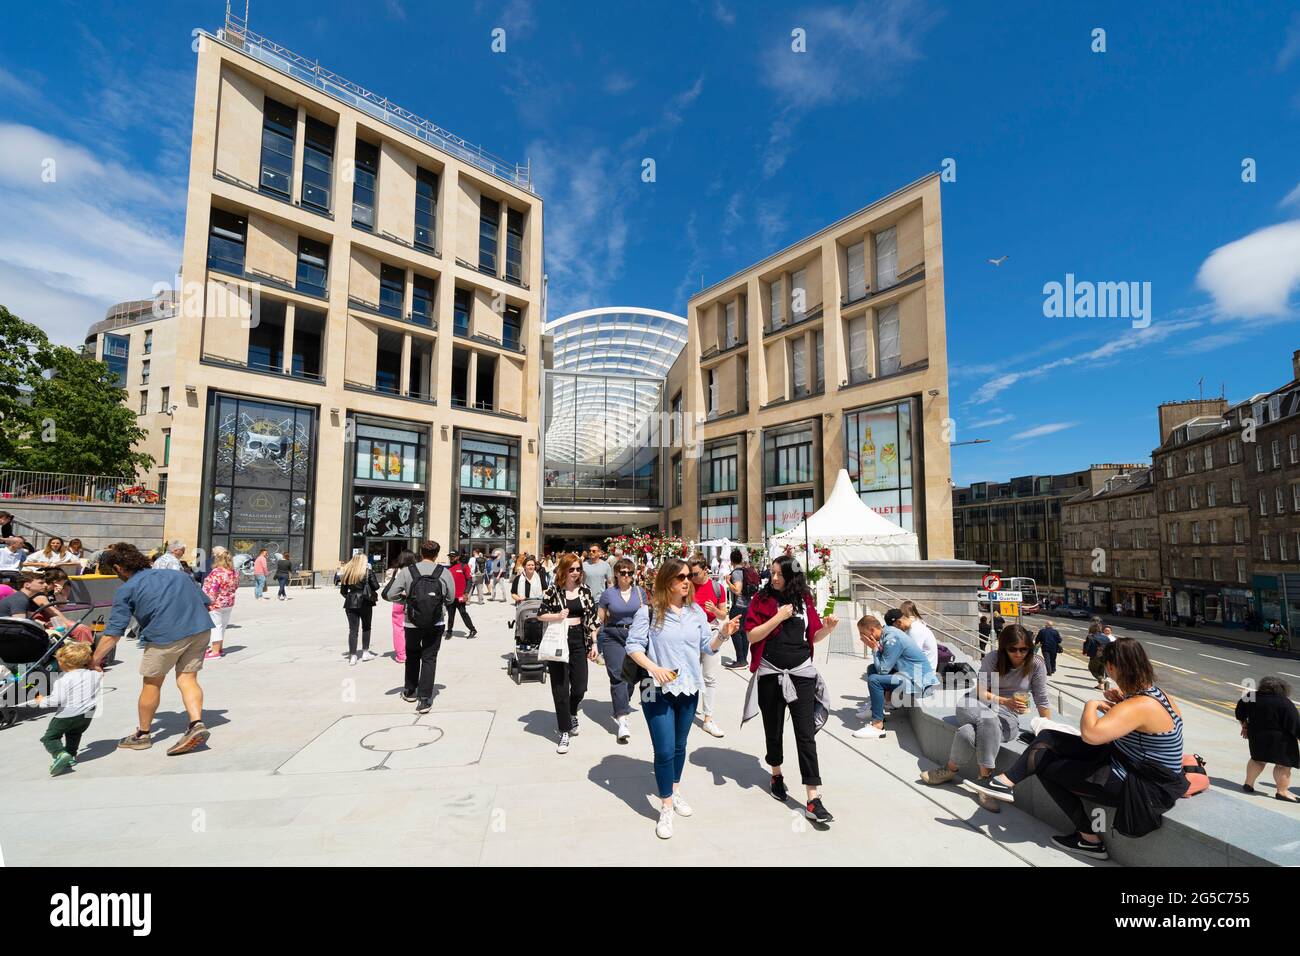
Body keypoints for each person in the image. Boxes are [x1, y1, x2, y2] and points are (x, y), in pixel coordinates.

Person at [977, 638, 1186, 860]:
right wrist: (1122, 703)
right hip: (1131, 763)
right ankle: (1005, 782)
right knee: (1048, 738)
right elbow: (1141, 728)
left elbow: (1091, 735)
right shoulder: (1157, 695)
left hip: (1140, 785)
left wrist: (1091, 705)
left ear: (1112, 667)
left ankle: (1089, 839)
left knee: (1045, 766)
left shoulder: (1137, 706)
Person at [626, 558, 738, 839]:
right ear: (667, 581)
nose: (687, 581)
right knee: (663, 750)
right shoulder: (649, 612)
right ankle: (665, 807)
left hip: (688, 688)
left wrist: (722, 635)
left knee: (679, 746)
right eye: (680, 577)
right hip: (655, 689)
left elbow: (707, 648)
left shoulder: (696, 612)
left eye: (688, 576)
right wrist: (654, 668)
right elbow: (633, 647)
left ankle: (674, 791)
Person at [91, 542, 214, 756]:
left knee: (152, 682)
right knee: (188, 679)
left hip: (164, 637)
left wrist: (94, 660)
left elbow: (113, 633)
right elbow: (205, 602)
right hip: (200, 629)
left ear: (119, 567)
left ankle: (143, 735)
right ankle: (196, 724)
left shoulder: (127, 589)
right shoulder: (179, 576)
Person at [741, 553, 839, 823]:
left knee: (806, 734)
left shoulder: (804, 600)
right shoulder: (762, 600)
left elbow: (814, 636)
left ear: (791, 577)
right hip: (771, 674)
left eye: (779, 574)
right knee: (774, 729)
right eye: (771, 573)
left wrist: (827, 629)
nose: (773, 578)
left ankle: (813, 798)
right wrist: (778, 617)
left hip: (801, 674)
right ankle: (776, 774)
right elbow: (751, 635)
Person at [921, 623, 1052, 792]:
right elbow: (981, 691)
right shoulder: (993, 658)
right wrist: (1005, 701)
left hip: (1006, 714)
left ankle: (950, 770)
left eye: (1024, 649)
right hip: (975, 703)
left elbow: (1041, 699)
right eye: (1013, 649)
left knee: (967, 732)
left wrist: (1048, 731)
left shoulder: (1036, 665)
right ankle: (986, 781)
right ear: (1004, 648)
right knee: (987, 717)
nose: (1019, 654)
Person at [538, 553, 599, 754]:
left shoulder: (585, 591)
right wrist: (557, 615)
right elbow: (540, 614)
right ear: (563, 570)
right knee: (560, 688)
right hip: (558, 639)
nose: (575, 572)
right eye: (571, 569)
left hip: (578, 640)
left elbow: (592, 619)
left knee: (580, 686)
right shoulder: (553, 591)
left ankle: (572, 711)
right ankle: (564, 730)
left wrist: (594, 643)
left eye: (578, 569)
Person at [385, 540, 451, 713]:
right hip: (436, 622)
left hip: (411, 622)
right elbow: (451, 598)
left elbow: (391, 594)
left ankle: (410, 690)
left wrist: (406, 601)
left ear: (420, 553)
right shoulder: (443, 572)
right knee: (429, 658)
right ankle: (425, 698)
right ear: (437, 555)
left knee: (412, 655)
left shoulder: (408, 571)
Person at [17, 641, 101, 776]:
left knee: (50, 738)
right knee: (74, 733)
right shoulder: (94, 675)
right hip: (87, 714)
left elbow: (56, 700)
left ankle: (60, 754)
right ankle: (71, 757)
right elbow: (99, 674)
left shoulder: (63, 680)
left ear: (64, 663)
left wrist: (41, 701)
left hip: (68, 714)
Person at [853, 607, 938, 739]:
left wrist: (874, 649)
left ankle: (877, 726)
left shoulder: (892, 639)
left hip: (920, 683)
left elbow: (883, 670)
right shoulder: (887, 633)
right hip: (911, 675)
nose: (861, 637)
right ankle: (876, 710)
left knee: (875, 679)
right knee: (871, 669)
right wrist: (876, 649)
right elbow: (882, 664)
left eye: (862, 633)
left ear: (871, 630)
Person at [597, 557, 646, 744]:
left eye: (630, 573)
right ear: (616, 574)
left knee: (631, 677)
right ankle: (622, 720)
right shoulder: (608, 594)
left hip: (635, 636)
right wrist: (594, 640)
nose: (627, 576)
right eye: (623, 573)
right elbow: (600, 619)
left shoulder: (640, 593)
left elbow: (644, 617)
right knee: (618, 675)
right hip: (613, 636)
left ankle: (621, 703)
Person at [683, 554, 728, 738]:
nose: (690, 578)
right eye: (689, 574)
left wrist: (714, 610)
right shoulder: (688, 586)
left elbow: (723, 615)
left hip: (711, 632)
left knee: (709, 677)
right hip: (690, 634)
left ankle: (708, 719)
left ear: (705, 570)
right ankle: (686, 711)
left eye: (694, 574)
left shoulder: (718, 588)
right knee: (688, 673)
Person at [1236, 676, 1299, 802]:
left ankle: (1249, 784)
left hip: (1256, 735)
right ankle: (1282, 792)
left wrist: (1245, 726)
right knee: (1283, 766)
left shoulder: (1251, 697)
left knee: (1257, 760)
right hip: (1280, 740)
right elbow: (1295, 724)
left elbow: (1240, 712)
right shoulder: (1285, 703)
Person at [338, 553, 380, 666]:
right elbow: (376, 587)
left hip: (351, 603)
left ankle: (353, 656)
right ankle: (365, 652)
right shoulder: (367, 572)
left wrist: (351, 597)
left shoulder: (347, 573)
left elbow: (343, 591)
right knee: (366, 627)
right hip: (365, 602)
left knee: (353, 630)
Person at [201, 547, 238, 659]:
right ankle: (218, 648)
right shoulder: (234, 572)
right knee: (223, 626)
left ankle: (215, 651)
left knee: (216, 626)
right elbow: (236, 586)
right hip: (229, 602)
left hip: (216, 603)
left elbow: (211, 590)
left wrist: (206, 601)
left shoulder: (217, 572)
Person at [723, 548, 756, 669]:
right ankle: (744, 660)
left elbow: (737, 590)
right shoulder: (745, 571)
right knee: (743, 632)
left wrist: (728, 582)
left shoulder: (736, 572)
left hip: (739, 606)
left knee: (735, 632)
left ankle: (740, 660)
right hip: (748, 605)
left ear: (731, 561)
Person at [382, 550, 417, 663]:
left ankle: (401, 654)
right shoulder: (415, 571)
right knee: (413, 627)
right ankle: (413, 651)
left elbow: (389, 587)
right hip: (412, 602)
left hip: (398, 602)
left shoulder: (394, 571)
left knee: (398, 628)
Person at [445, 550, 477, 638]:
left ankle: (473, 630)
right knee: (450, 615)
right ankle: (449, 632)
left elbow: (470, 581)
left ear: (458, 557)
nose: (451, 558)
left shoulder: (464, 566)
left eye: (453, 556)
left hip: (461, 596)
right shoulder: (449, 569)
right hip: (451, 597)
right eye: (450, 557)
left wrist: (466, 593)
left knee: (463, 613)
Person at [899, 600, 938, 672]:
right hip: (924, 667)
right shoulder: (918, 624)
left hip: (923, 672)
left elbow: (913, 654)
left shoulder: (914, 629)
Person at [1083, 621, 1108, 689]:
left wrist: (1084, 651)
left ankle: (1102, 680)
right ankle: (1101, 686)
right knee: (1101, 670)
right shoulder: (1106, 637)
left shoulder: (1090, 637)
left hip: (1095, 656)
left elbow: (1087, 647)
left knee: (1092, 669)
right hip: (1105, 656)